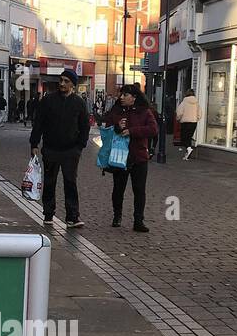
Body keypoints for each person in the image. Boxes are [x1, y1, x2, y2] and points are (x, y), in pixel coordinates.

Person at [29, 68, 90, 228]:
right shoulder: (48, 100)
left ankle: (72, 216)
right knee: (50, 182)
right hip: (51, 148)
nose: (62, 84)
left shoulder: (79, 103)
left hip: (71, 150)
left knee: (71, 183)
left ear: (73, 85)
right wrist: (34, 143)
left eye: (66, 81)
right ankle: (48, 214)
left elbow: (84, 126)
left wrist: (80, 146)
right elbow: (39, 123)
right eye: (61, 80)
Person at [102, 85, 158, 232]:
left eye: (125, 94)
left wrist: (132, 131)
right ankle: (117, 215)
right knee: (118, 189)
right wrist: (116, 126)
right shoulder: (116, 110)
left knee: (139, 190)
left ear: (134, 97)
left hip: (139, 157)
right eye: (121, 94)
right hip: (120, 157)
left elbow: (153, 129)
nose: (121, 97)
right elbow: (106, 126)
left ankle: (138, 220)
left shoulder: (145, 112)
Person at [176, 88, 200, 156]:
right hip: (194, 122)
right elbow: (200, 113)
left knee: (184, 138)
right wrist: (196, 118)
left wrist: (178, 118)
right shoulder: (196, 103)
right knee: (189, 137)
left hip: (185, 122)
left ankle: (189, 149)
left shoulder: (184, 102)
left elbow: (179, 113)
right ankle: (188, 154)